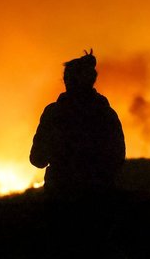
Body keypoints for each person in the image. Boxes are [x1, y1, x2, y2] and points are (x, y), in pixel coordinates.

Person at [30, 50, 125, 195]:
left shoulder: (54, 114)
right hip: (99, 196)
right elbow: (118, 158)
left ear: (67, 81)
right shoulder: (106, 114)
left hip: (61, 196)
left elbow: (37, 159)